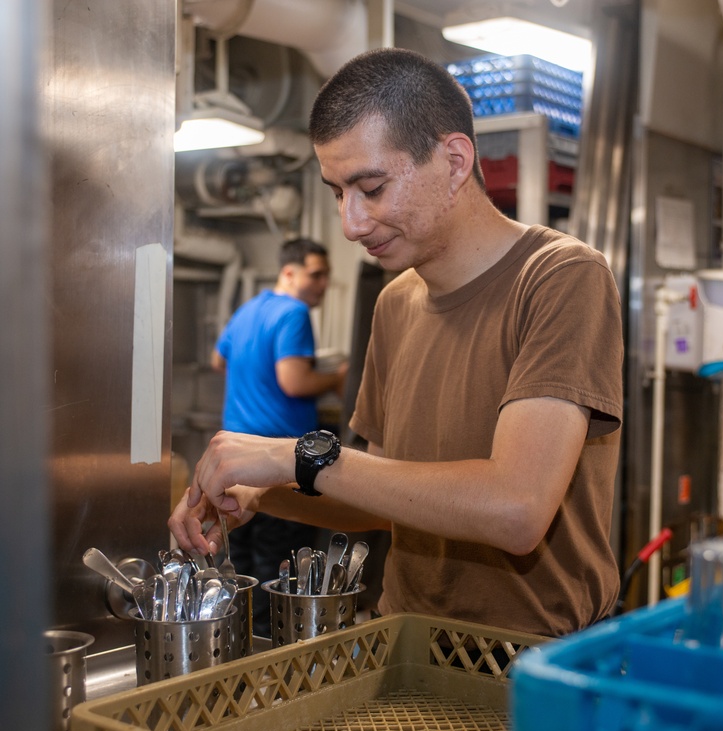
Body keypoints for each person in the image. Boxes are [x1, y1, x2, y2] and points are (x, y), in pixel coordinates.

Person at [169, 47, 624, 638]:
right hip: (406, 642)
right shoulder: (396, 302)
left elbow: (517, 509)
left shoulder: (561, 277)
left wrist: (294, 457)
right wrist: (264, 491)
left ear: (455, 161)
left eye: (372, 188)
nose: (351, 224)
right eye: (337, 192)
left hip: (532, 659)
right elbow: (384, 496)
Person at [211, 237, 347, 635]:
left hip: (235, 461)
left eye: (326, 276)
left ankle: (239, 647)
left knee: (244, 568)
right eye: (316, 274)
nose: (322, 284)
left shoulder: (248, 309)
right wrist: (337, 378)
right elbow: (294, 381)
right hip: (278, 462)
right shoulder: (295, 313)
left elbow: (218, 361)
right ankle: (274, 660)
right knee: (281, 572)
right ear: (289, 272)